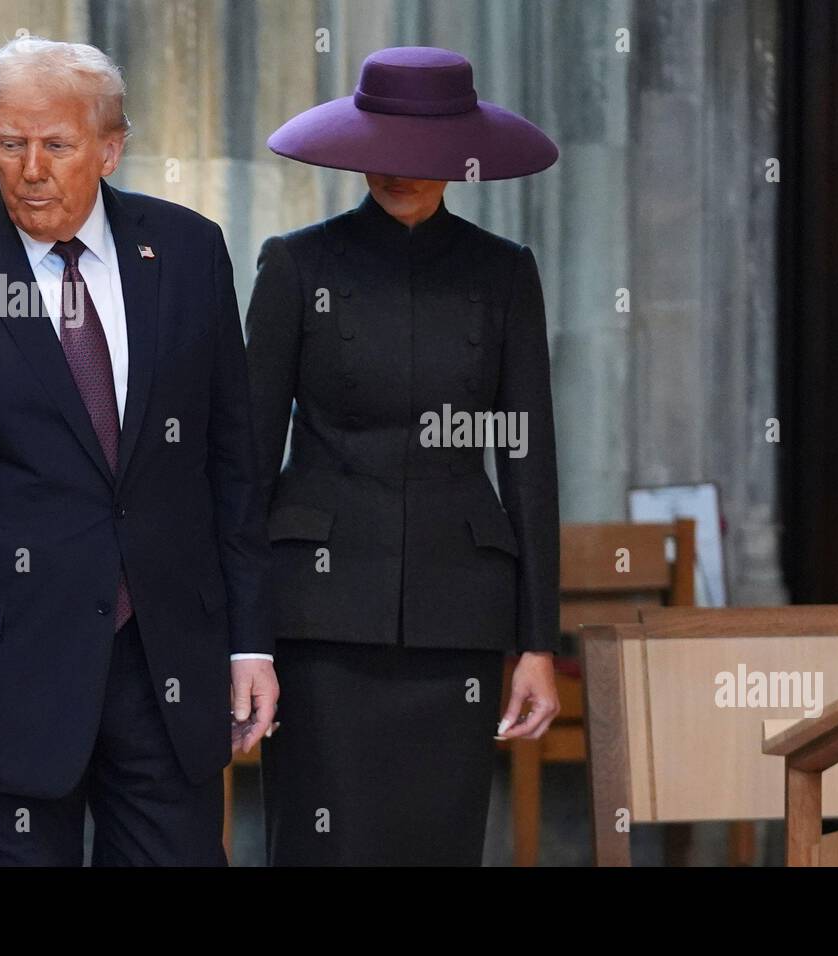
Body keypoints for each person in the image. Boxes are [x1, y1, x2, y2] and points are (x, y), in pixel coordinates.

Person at [0, 36, 277, 866]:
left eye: (56, 145)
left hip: (167, 674)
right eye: (11, 143)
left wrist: (248, 641)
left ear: (110, 148)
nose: (30, 168)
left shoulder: (188, 252)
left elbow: (232, 462)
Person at [249, 46, 561, 865]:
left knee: (438, 844)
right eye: (382, 149)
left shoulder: (504, 275)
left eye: (420, 154)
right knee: (322, 844)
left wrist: (538, 641)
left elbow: (529, 462)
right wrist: (238, 636)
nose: (400, 171)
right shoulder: (296, 264)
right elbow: (244, 461)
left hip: (457, 615)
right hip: (317, 616)